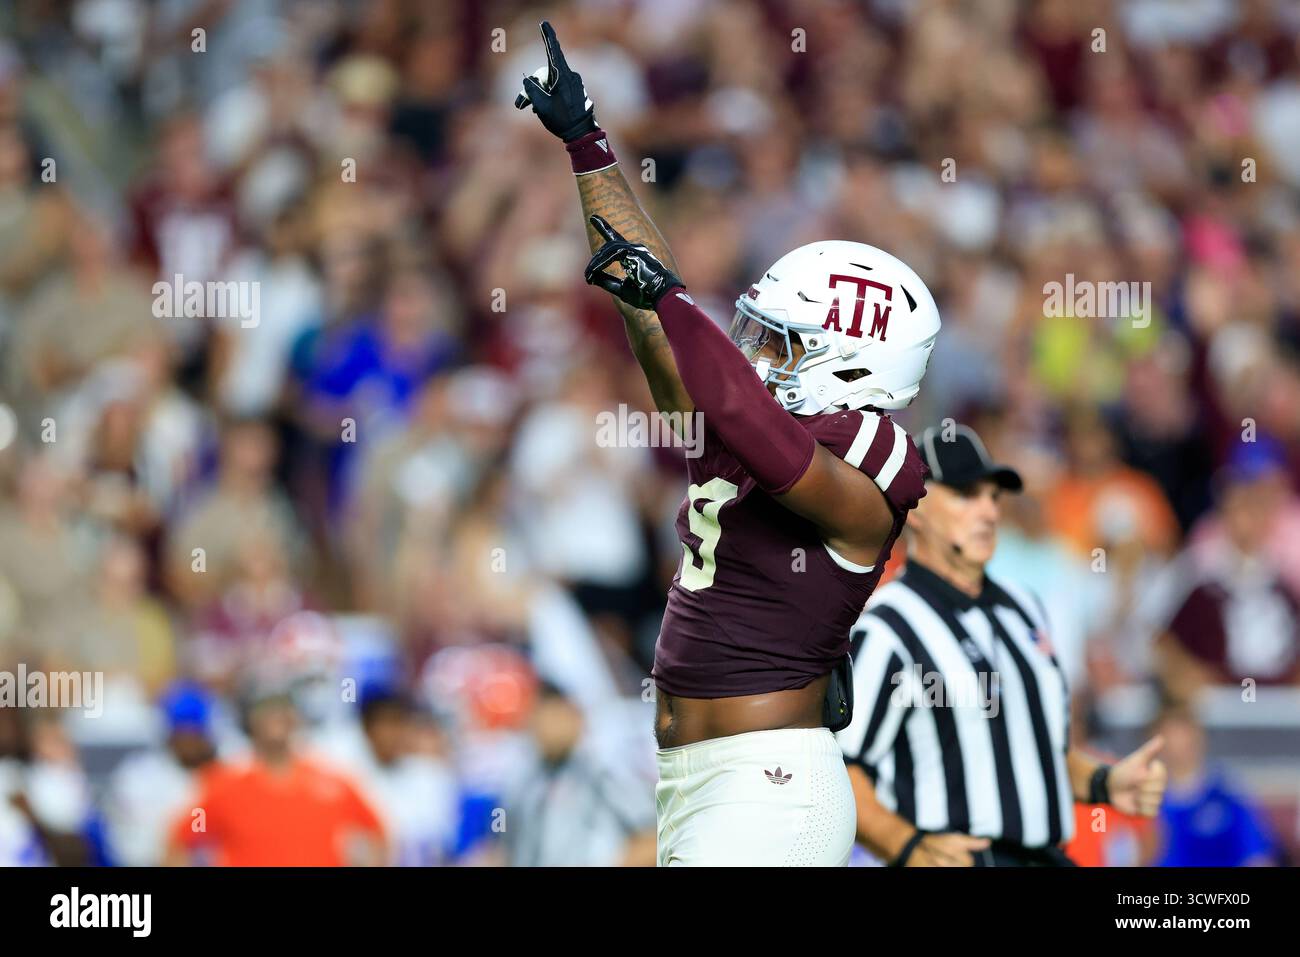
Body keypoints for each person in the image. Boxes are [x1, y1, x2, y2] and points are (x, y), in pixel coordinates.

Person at [516, 22, 938, 866]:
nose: (757, 352)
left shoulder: (875, 459)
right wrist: (588, 147)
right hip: (698, 775)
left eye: (785, 341)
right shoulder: (752, 410)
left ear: (856, 368)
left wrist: (670, 296)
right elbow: (658, 325)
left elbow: (752, 423)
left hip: (769, 780)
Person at [838, 424, 1168, 865]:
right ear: (914, 507)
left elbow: (1032, 748)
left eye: (993, 496)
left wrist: (1105, 783)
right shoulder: (889, 626)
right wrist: (907, 847)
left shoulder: (1023, 607)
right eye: (965, 494)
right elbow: (841, 767)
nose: (989, 512)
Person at [165, 683, 386, 866]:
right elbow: (183, 839)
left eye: (282, 710)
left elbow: (375, 831)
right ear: (251, 721)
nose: (275, 718)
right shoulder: (224, 785)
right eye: (266, 711)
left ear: (295, 719)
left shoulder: (331, 782)